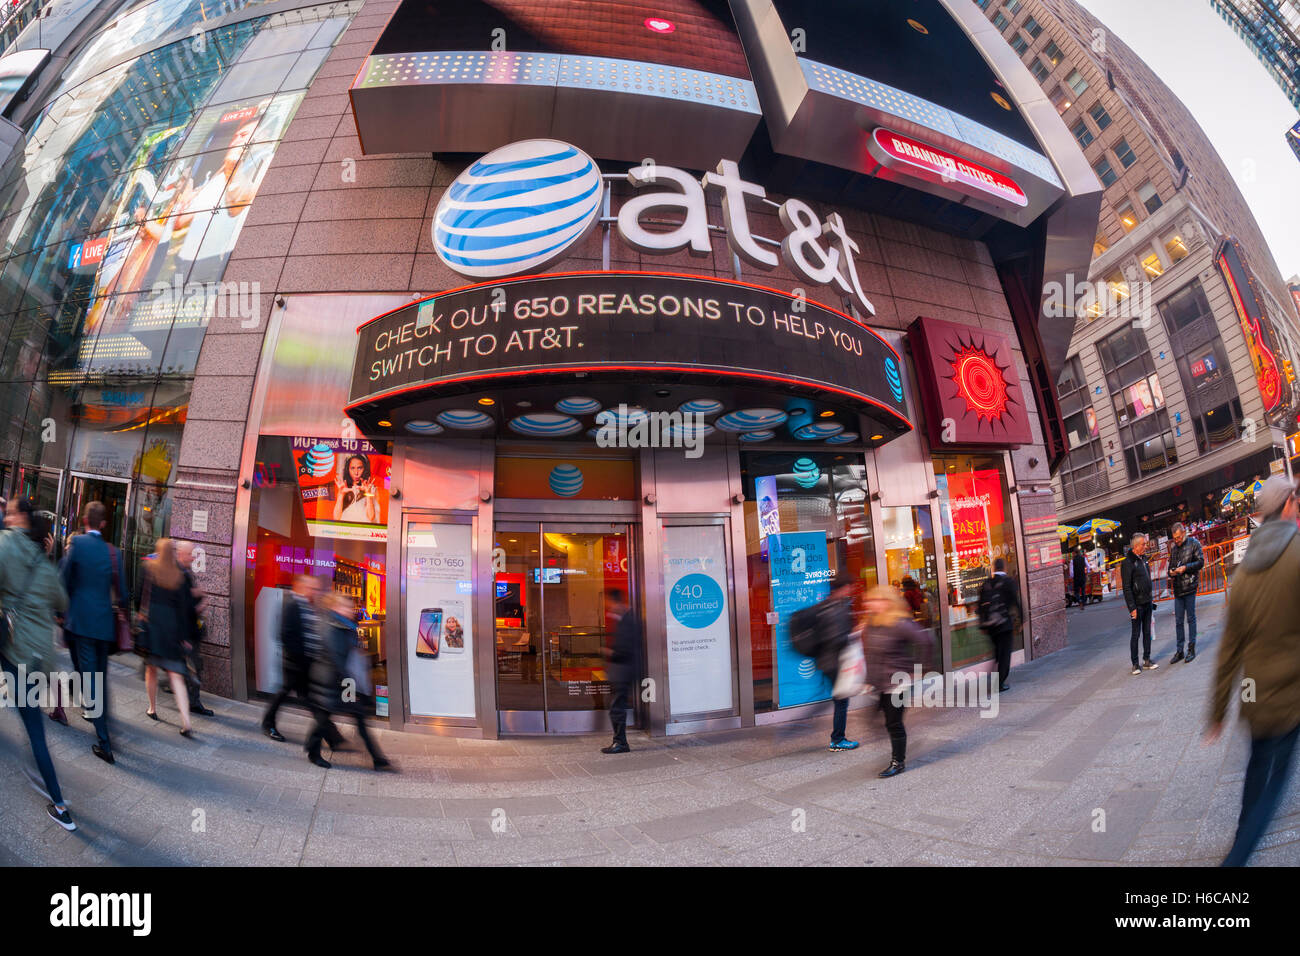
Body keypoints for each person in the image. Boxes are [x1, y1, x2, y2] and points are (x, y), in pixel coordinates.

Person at [1206, 475, 1300, 866]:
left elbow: (1229, 649)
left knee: (1256, 769)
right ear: (1289, 505)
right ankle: (1237, 860)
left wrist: (1216, 714)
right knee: (1274, 784)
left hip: (1254, 695)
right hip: (1289, 695)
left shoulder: (1242, 571)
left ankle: (1238, 844)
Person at [0, 498, 75, 829]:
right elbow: (62, 601)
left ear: (19, 517)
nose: (6, 515)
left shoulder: (4, 543)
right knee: (34, 728)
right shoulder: (44, 564)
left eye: (9, 511)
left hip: (13, 650)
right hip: (38, 658)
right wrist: (47, 558)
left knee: (34, 728)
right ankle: (55, 796)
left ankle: (59, 805)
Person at [60, 501, 126, 765]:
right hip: (103, 626)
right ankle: (105, 729)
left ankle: (105, 743)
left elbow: (63, 580)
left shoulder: (78, 545)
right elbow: (122, 593)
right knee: (99, 677)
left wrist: (62, 609)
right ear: (103, 523)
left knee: (91, 681)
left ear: (86, 520)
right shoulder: (114, 552)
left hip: (81, 624)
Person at [311, 590, 393, 771]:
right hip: (335, 681)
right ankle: (313, 751)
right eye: (344, 606)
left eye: (349, 606)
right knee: (325, 717)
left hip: (344, 681)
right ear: (334, 607)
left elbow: (351, 656)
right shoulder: (331, 627)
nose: (349, 609)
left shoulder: (346, 626)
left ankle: (378, 758)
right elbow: (337, 659)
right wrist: (352, 686)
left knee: (358, 717)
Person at [262, 574, 342, 751]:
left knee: (307, 698)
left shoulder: (307, 604)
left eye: (316, 589)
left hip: (306, 662)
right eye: (312, 588)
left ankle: (332, 735)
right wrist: (300, 659)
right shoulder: (291, 604)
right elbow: (285, 634)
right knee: (295, 695)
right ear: (301, 586)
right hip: (295, 663)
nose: (315, 591)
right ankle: (269, 724)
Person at [865, 585, 934, 778]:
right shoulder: (873, 623)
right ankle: (895, 745)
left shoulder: (899, 623)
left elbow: (925, 641)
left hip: (898, 681)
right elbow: (871, 654)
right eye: (869, 601)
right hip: (881, 682)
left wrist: (919, 670)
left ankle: (898, 761)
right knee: (879, 719)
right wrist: (869, 680)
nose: (870, 604)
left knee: (893, 723)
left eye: (874, 600)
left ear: (886, 602)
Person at [139, 539, 197, 737]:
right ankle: (186, 721)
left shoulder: (149, 569)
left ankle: (152, 708)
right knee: (176, 677)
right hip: (172, 630)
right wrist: (184, 637)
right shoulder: (179, 575)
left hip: (154, 628)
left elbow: (139, 597)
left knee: (151, 670)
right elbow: (184, 610)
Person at [174, 540, 213, 716]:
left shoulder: (185, 572)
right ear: (180, 553)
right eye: (190, 554)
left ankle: (192, 700)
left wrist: (196, 593)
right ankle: (192, 703)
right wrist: (202, 604)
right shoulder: (178, 573)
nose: (192, 557)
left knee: (193, 667)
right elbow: (184, 606)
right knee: (193, 667)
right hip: (186, 630)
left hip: (189, 630)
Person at [600, 588, 641, 754]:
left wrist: (608, 652)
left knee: (617, 707)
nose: (608, 607)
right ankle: (620, 741)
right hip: (625, 669)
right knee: (618, 706)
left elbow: (624, 649)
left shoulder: (627, 620)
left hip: (624, 670)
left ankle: (620, 743)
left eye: (608, 603)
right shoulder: (626, 618)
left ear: (614, 601)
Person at [977, 558, 1022, 692]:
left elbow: (980, 605)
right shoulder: (1009, 582)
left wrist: (982, 625)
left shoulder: (987, 583)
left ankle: (994, 677)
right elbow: (1016, 601)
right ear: (1005, 568)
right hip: (1004, 625)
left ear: (994, 568)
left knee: (998, 653)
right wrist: (1022, 619)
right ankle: (1000, 683)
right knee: (1004, 655)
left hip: (991, 626)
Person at [1167, 522, 1205, 664]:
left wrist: (1186, 568)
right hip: (1177, 588)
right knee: (1178, 621)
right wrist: (1171, 572)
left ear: (1183, 533)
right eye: (1174, 538)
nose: (1176, 540)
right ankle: (1179, 650)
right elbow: (1170, 567)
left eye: (1178, 537)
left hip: (1189, 585)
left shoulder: (1194, 543)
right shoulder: (1174, 549)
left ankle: (1191, 648)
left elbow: (1201, 562)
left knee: (1190, 618)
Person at [1121, 532, 1158, 676]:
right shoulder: (1128, 562)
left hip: (1147, 601)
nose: (1145, 546)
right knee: (1135, 634)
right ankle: (1135, 663)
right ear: (1136, 546)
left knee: (1147, 632)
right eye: (1143, 544)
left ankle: (1147, 659)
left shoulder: (1143, 559)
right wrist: (1132, 607)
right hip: (1137, 604)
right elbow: (1126, 587)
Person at [333, 454, 377, 523]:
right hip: (344, 529)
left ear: (365, 469)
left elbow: (371, 517)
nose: (356, 473)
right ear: (348, 469)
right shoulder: (343, 487)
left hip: (362, 530)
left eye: (359, 468)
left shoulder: (371, 488)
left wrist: (368, 493)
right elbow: (336, 517)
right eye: (352, 468)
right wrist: (341, 494)